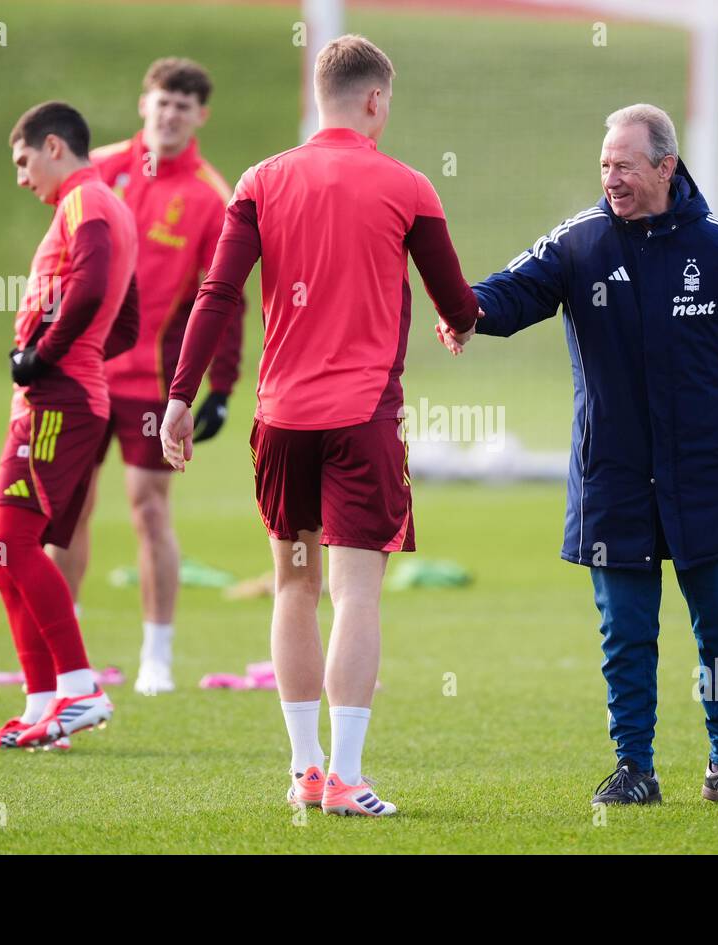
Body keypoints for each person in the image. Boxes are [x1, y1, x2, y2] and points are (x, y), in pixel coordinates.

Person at [160, 35, 480, 816]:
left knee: (293, 584)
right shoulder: (406, 185)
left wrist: (179, 395)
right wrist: (459, 322)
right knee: (357, 594)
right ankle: (346, 774)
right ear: (375, 100)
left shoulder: (262, 179)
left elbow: (218, 293)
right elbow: (456, 297)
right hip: (362, 419)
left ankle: (304, 770)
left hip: (282, 421)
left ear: (318, 91)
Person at [440, 104, 718, 804]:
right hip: (615, 478)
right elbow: (509, 296)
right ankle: (634, 766)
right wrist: (464, 310)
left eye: (625, 165)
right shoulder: (580, 244)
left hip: (705, 475)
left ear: (666, 166)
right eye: (605, 165)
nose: (612, 178)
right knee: (626, 634)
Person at [48, 58, 243, 696]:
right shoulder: (97, 172)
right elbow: (56, 264)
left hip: (151, 383)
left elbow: (226, 297)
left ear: (200, 117)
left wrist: (220, 388)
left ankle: (156, 657)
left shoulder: (211, 197)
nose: (170, 115)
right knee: (66, 509)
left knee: (149, 510)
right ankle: (63, 657)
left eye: (184, 107)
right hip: (78, 374)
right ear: (144, 104)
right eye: (162, 102)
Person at [0, 102, 139, 750]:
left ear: (52, 145)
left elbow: (95, 287)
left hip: (57, 401)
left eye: (22, 161)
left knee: (14, 546)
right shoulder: (110, 206)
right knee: (6, 553)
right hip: (61, 398)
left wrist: (48, 354)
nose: (21, 177)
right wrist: (80, 353)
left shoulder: (84, 202)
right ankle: (44, 703)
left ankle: (80, 686)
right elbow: (125, 321)